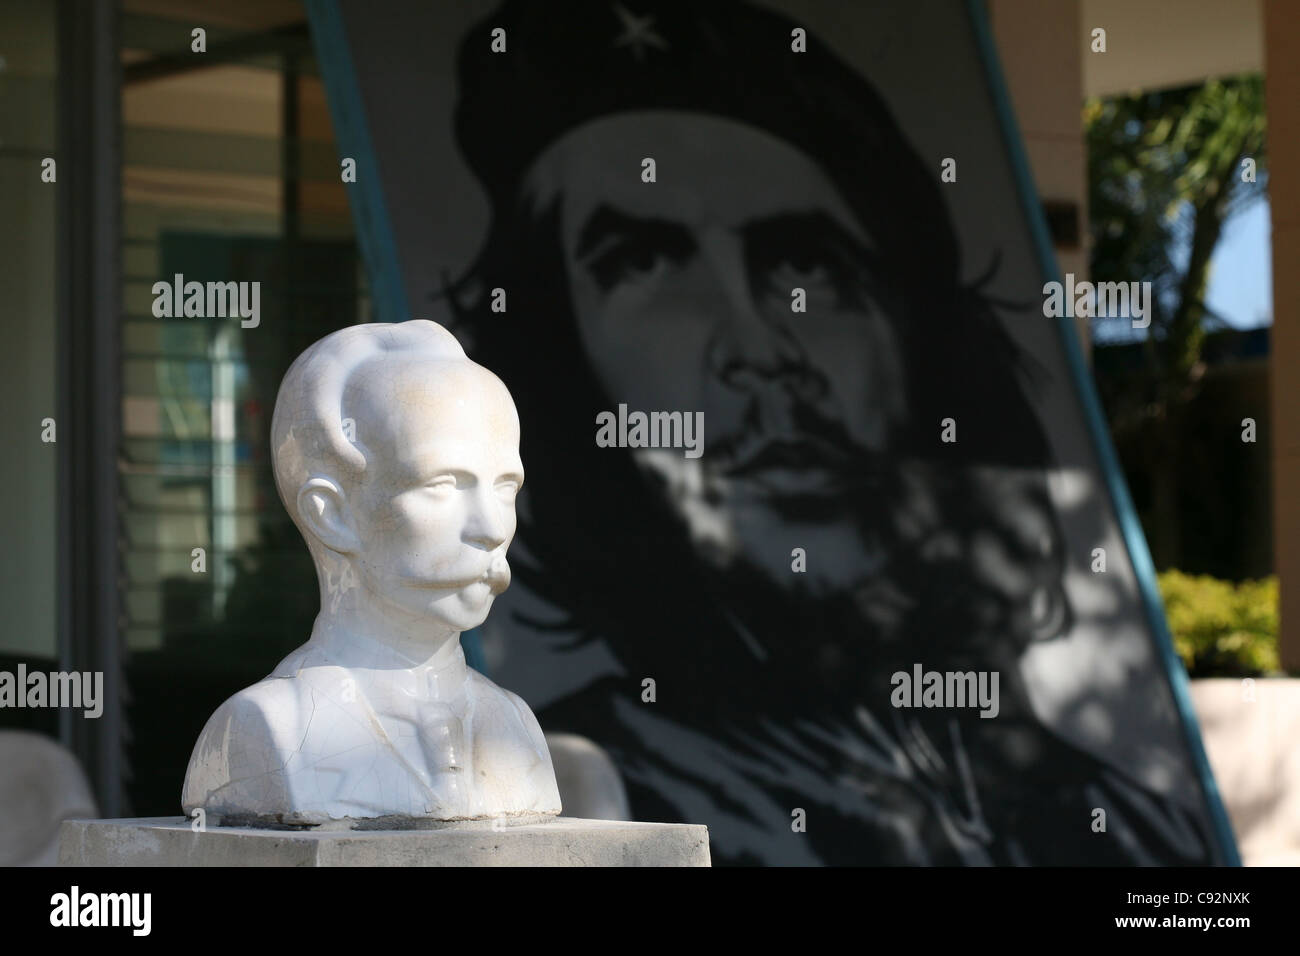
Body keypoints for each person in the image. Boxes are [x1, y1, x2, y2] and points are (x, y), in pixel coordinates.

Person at [443, 0, 1219, 863]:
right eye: (646, 262)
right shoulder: (579, 799)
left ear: (919, 341)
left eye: (805, 262)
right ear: (560, 375)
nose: (761, 351)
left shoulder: (1136, 825)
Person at [182, 321, 561, 826]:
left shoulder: (515, 727)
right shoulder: (264, 729)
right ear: (331, 514)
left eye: (505, 487)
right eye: (444, 484)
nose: (491, 526)